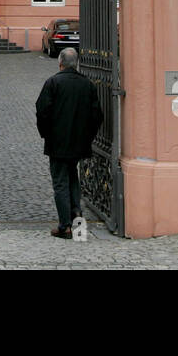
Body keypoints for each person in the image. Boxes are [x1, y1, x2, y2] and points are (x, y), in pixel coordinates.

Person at [35, 47, 104, 239]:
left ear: (60, 63)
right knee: (73, 178)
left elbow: (42, 111)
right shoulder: (87, 85)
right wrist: (87, 137)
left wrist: (46, 134)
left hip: (58, 143)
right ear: (77, 63)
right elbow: (97, 115)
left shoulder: (53, 83)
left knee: (60, 183)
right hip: (79, 143)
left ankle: (65, 225)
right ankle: (77, 221)